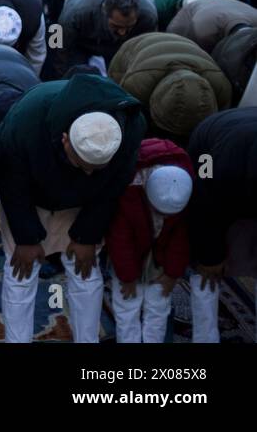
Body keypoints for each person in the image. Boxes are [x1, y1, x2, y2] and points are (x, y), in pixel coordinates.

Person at [0, 74, 145, 342]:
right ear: (65, 140)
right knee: (22, 268)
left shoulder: (132, 127)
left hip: (84, 203)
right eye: (82, 164)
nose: (88, 173)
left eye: (96, 168)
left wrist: (86, 235)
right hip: (30, 193)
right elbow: (11, 181)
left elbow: (114, 185)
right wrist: (26, 237)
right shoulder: (26, 121)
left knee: (85, 268)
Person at [105, 139, 196, 343]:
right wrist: (127, 277)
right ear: (146, 194)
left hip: (160, 254)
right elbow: (120, 240)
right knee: (127, 303)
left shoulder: (184, 187)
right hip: (130, 251)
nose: (163, 217)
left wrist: (172, 274)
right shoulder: (127, 190)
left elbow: (180, 239)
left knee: (159, 302)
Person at [186, 107, 257, 343]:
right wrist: (210, 256)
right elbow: (203, 206)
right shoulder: (218, 168)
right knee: (210, 263)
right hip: (208, 142)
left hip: (243, 129)